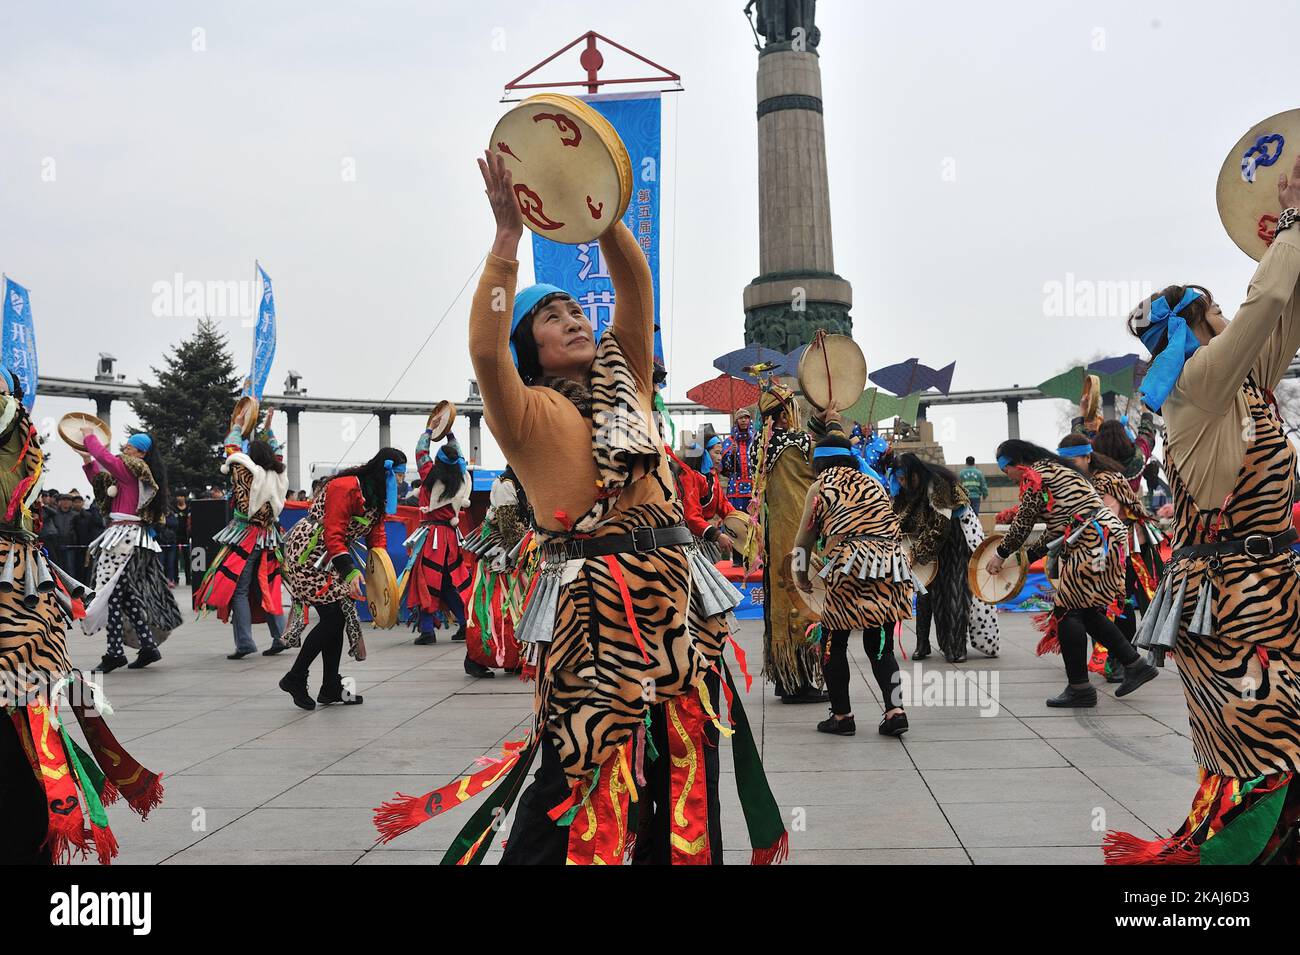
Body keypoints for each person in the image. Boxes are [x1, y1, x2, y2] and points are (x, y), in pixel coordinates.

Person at [394, 149, 778, 866]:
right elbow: (484, 346)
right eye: (551, 316)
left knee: (685, 779)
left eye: (575, 308)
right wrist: (507, 245)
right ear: (528, 350)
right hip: (594, 628)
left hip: (677, 615)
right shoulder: (527, 412)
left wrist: (604, 216)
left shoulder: (627, 375)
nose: (572, 318)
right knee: (572, 786)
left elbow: (635, 283)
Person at [1105, 163, 1300, 865]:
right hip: (1233, 608)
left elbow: (1285, 306)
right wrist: (1292, 222)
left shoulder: (1242, 387)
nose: (1228, 319)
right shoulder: (1196, 387)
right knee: (1270, 757)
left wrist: (1292, 236)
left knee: (1283, 758)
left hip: (1273, 593)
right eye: (1215, 311)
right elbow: (1264, 302)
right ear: (1193, 325)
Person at [0, 369, 163, 864]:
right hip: (26, 591)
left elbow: (109, 469)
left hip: (30, 588)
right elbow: (99, 475)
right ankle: (118, 637)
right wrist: (90, 454)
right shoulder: (26, 440)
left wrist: (95, 446)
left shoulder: (137, 470)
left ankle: (119, 635)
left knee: (26, 715)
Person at [988, 439, 1157, 707]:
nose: (1006, 476)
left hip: (1092, 540)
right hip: (1104, 537)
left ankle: (1080, 688)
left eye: (1005, 469)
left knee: (1067, 612)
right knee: (1086, 611)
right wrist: (1026, 559)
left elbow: (1023, 523)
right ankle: (1135, 664)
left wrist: (1000, 554)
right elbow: (1057, 530)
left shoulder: (1036, 475)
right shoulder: (1056, 470)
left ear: (1017, 463)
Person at [793, 429, 913, 738]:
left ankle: (842, 716)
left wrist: (801, 576)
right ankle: (894, 711)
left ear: (819, 464)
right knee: (881, 647)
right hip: (890, 564)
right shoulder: (873, 481)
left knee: (834, 643)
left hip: (850, 564)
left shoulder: (821, 486)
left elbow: (804, 540)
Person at [279, 448, 405, 709]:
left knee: (333, 620)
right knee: (334, 618)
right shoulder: (346, 487)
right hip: (308, 553)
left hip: (332, 557)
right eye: (399, 475)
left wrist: (380, 569)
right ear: (386, 472)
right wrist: (350, 570)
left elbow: (376, 535)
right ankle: (296, 676)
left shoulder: (378, 496)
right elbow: (333, 533)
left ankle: (330, 687)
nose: (401, 482)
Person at [1057, 433, 1165, 681]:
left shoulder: (1105, 480)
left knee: (1119, 603)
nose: (1069, 467)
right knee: (1099, 607)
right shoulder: (1080, 479)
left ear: (1087, 456)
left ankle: (1124, 661)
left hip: (1116, 549)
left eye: (1074, 460)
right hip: (1095, 549)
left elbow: (1108, 518)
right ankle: (1125, 660)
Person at [750, 382, 828, 704]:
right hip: (801, 529)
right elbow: (828, 463)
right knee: (805, 597)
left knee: (780, 600)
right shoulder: (800, 442)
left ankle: (785, 677)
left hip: (774, 533)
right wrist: (827, 423)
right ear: (785, 414)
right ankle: (804, 682)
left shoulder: (760, 445)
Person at [79, 430, 183, 671]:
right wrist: (87, 460)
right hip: (126, 537)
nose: (125, 448)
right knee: (122, 595)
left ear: (141, 453)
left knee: (111, 593)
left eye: (130, 446)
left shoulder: (133, 469)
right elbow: (101, 480)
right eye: (125, 446)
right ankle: (147, 646)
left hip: (124, 538)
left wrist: (89, 438)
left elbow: (106, 460)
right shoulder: (127, 474)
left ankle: (114, 652)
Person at [193, 411, 290, 659]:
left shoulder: (245, 472)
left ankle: (245, 643)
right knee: (268, 584)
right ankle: (281, 636)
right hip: (269, 536)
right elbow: (277, 450)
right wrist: (268, 428)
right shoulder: (278, 474)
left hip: (245, 536)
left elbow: (232, 449)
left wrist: (236, 426)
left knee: (240, 590)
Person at [893, 452, 1000, 661]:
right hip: (926, 539)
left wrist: (915, 554)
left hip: (956, 539)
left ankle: (957, 647)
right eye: (899, 478)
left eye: (905, 478)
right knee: (924, 591)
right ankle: (922, 644)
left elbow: (940, 526)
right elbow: (902, 518)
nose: (902, 483)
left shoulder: (938, 483)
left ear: (916, 473)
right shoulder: (909, 488)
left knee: (955, 592)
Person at [401, 430, 475, 669]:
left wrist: (429, 432)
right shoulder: (461, 477)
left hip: (431, 536)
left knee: (425, 581)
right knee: (448, 582)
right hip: (450, 536)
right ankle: (464, 623)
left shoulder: (430, 475)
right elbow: (460, 455)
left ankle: (426, 630)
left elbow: (421, 452)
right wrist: (450, 434)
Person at [462, 466, 531, 673]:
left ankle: (514, 657)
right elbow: (508, 526)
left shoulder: (526, 482)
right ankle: (476, 657)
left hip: (518, 549)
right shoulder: (505, 485)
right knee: (496, 607)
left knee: (517, 606)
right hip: (500, 552)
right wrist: (531, 544)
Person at [720, 408, 758, 512]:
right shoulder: (730, 441)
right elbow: (726, 468)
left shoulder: (756, 439)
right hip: (735, 488)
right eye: (741, 418)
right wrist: (732, 454)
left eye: (746, 417)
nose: (743, 420)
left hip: (754, 486)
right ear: (736, 421)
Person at [172, 491, 191, 587]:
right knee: (175, 558)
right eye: (178, 496)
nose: (179, 498)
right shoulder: (173, 509)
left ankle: (189, 579)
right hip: (175, 536)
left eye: (181, 496)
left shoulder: (189, 509)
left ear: (185, 497)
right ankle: (175, 579)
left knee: (187, 558)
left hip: (186, 536)